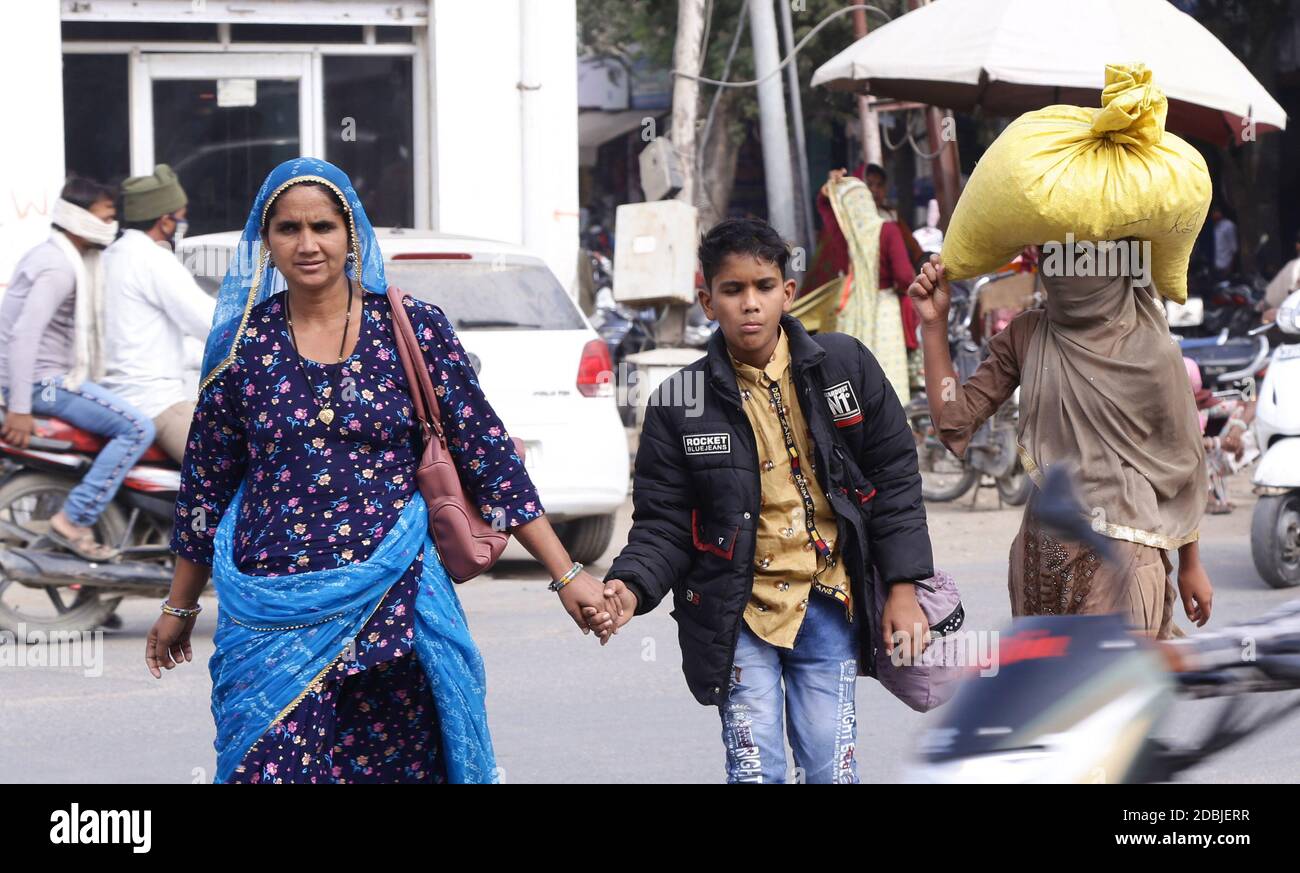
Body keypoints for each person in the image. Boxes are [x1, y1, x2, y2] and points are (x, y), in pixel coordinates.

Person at [144, 158, 622, 784]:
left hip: (397, 602)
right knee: (265, 769)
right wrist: (179, 607)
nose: (307, 244)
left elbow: (488, 458)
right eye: (288, 229)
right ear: (267, 240)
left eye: (323, 226)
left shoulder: (412, 329)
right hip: (270, 607)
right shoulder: (241, 345)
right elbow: (207, 487)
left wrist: (566, 574)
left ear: (352, 232)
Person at [591, 218, 934, 783]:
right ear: (707, 300)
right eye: (733, 290)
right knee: (757, 775)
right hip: (736, 614)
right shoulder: (678, 402)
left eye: (764, 287)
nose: (750, 303)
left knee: (832, 771)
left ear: (787, 292)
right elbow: (664, 524)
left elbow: (895, 481)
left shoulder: (845, 365)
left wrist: (902, 587)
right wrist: (630, 586)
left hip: (829, 601)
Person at [909, 250, 1214, 638]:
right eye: (1057, 253)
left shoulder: (1154, 351)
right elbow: (954, 419)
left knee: (1108, 692)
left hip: (1125, 557)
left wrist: (1191, 563)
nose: (1071, 269)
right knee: (1047, 691)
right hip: (1041, 560)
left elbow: (1183, 459)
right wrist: (933, 327)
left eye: (1087, 254)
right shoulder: (1030, 335)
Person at [0, 177, 155, 560]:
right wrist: (20, 407)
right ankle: (75, 518)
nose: (112, 225)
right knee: (137, 427)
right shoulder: (58, 268)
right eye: (107, 215)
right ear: (77, 218)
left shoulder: (56, 255)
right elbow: (23, 336)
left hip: (45, 379)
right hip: (45, 385)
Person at [102, 164, 216, 462]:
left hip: (114, 397)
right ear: (165, 221)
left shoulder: (110, 257)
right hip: (155, 404)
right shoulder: (154, 260)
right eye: (181, 215)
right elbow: (211, 323)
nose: (183, 222)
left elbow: (149, 338)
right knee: (231, 470)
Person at [800, 168, 920, 404]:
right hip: (885, 309)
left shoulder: (847, 237)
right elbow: (905, 276)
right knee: (888, 377)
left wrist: (828, 192)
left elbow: (828, 213)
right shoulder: (888, 230)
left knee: (856, 375)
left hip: (851, 307)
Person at [1211, 206, 1238, 278]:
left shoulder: (1228, 226)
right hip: (1218, 265)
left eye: (1215, 212)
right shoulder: (1216, 227)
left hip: (1226, 265)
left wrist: (1230, 267)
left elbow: (1234, 248)